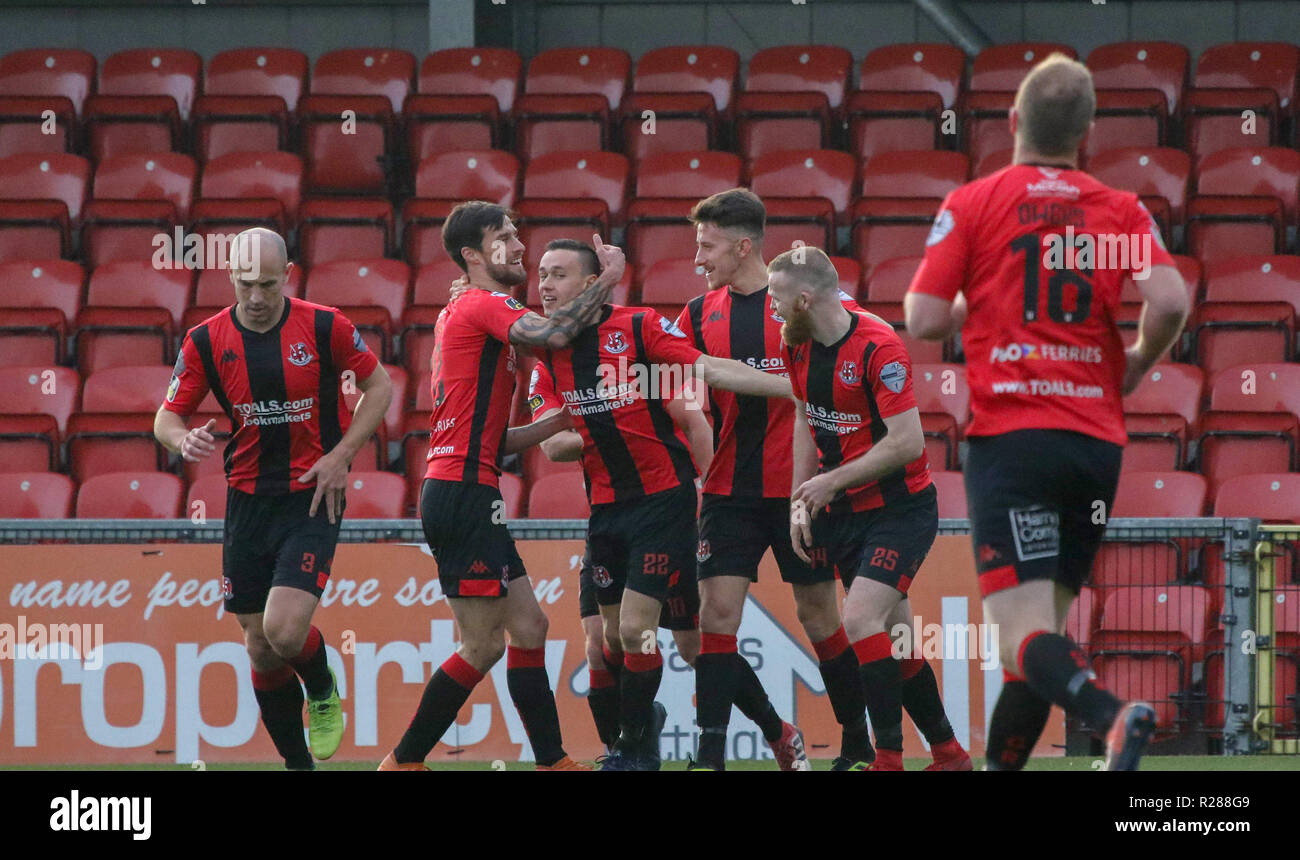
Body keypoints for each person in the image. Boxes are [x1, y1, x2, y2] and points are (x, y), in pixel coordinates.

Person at [903, 54, 1189, 770]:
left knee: (1021, 633)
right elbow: (1172, 302)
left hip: (1015, 439)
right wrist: (1136, 366)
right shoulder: (1120, 209)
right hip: (1095, 443)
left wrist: (978, 303)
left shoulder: (975, 203)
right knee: (1042, 635)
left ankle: (1112, 716)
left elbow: (926, 319)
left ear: (1011, 123)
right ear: (1086, 132)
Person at [681, 189, 970, 771]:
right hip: (754, 494)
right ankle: (716, 754)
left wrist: (819, 487)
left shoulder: (848, 329)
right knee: (718, 619)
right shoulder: (723, 320)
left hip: (862, 500)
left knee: (842, 620)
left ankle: (873, 748)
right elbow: (807, 413)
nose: (698, 258)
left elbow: (902, 437)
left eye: (707, 245)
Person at [528, 239, 801, 770]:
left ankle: (635, 749)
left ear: (591, 284)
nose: (543, 285)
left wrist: (791, 387)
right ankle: (644, 734)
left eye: (558, 274)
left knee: (653, 635)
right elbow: (554, 444)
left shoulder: (639, 329)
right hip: (606, 510)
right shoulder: (544, 351)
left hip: (666, 502)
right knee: (609, 641)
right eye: (540, 274)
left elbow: (706, 381)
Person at [380, 202, 623, 771]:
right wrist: (609, 279)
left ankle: (553, 762)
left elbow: (490, 441)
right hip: (460, 492)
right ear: (472, 255)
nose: (521, 247)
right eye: (506, 237)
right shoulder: (483, 305)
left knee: (530, 627)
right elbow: (559, 332)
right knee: (482, 644)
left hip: (467, 483)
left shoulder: (466, 307)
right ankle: (403, 762)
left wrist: (557, 424)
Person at [155, 227, 393, 770]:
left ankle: (322, 686)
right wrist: (180, 438)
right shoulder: (205, 340)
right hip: (246, 502)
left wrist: (342, 456)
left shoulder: (327, 325)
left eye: (267, 284)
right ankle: (297, 765)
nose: (257, 298)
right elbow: (167, 417)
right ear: (230, 278)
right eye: (245, 285)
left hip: (311, 495)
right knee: (259, 645)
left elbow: (379, 387)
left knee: (283, 629)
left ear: (287, 276)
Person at [769, 246, 962, 772]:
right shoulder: (797, 343)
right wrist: (799, 503)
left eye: (778, 296)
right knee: (897, 642)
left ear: (804, 299)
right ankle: (949, 752)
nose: (772, 306)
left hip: (901, 509)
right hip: (845, 514)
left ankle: (888, 759)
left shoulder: (879, 347)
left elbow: (907, 444)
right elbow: (807, 420)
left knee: (859, 622)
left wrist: (829, 482)